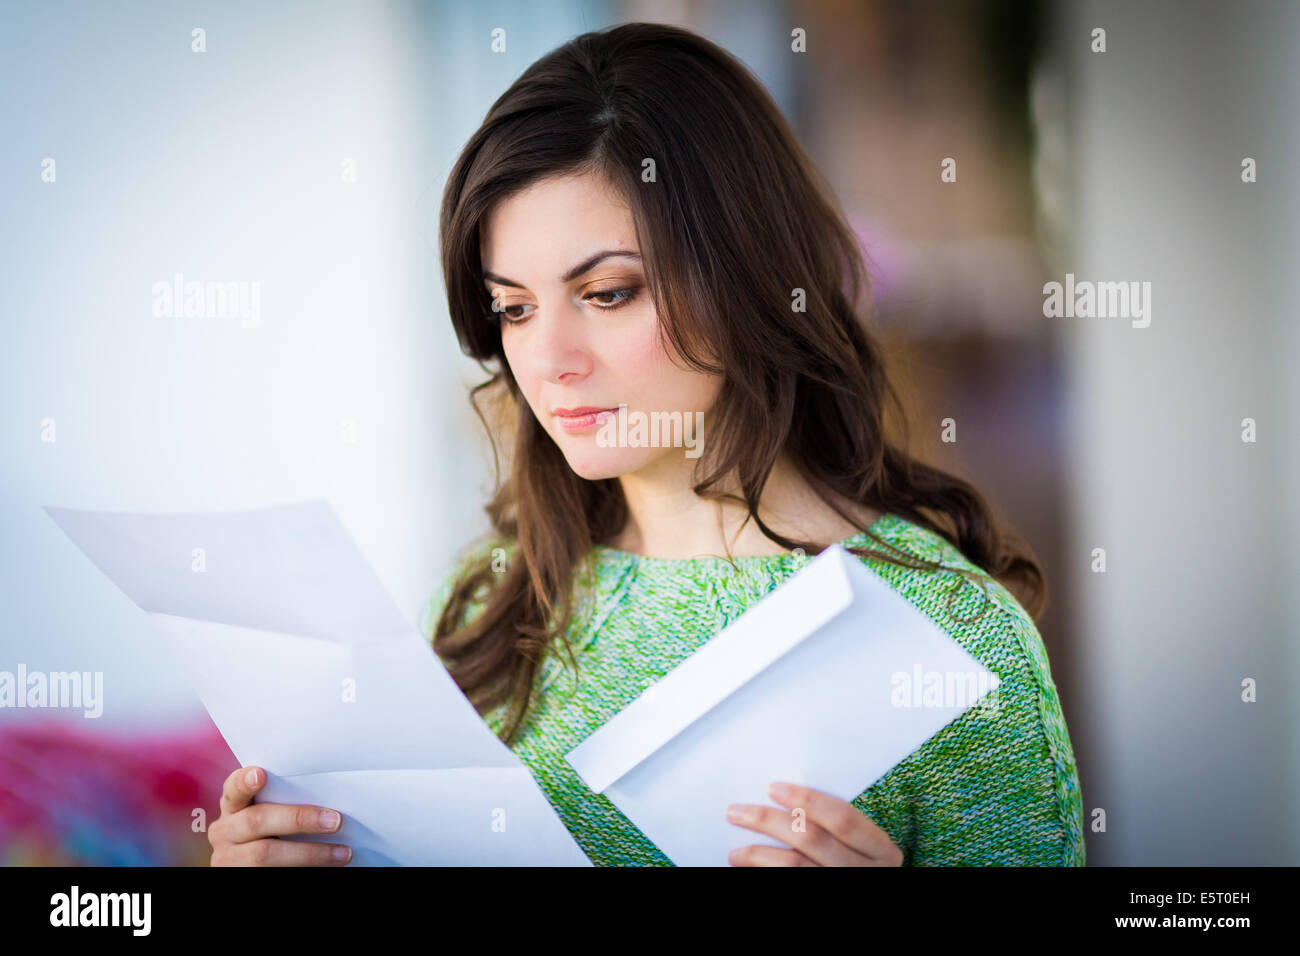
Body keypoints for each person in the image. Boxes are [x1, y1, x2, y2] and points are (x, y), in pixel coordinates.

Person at [209, 21, 1084, 867]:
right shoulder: (482, 605)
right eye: (514, 308)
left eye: (609, 292)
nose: (548, 362)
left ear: (745, 273)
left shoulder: (951, 640)